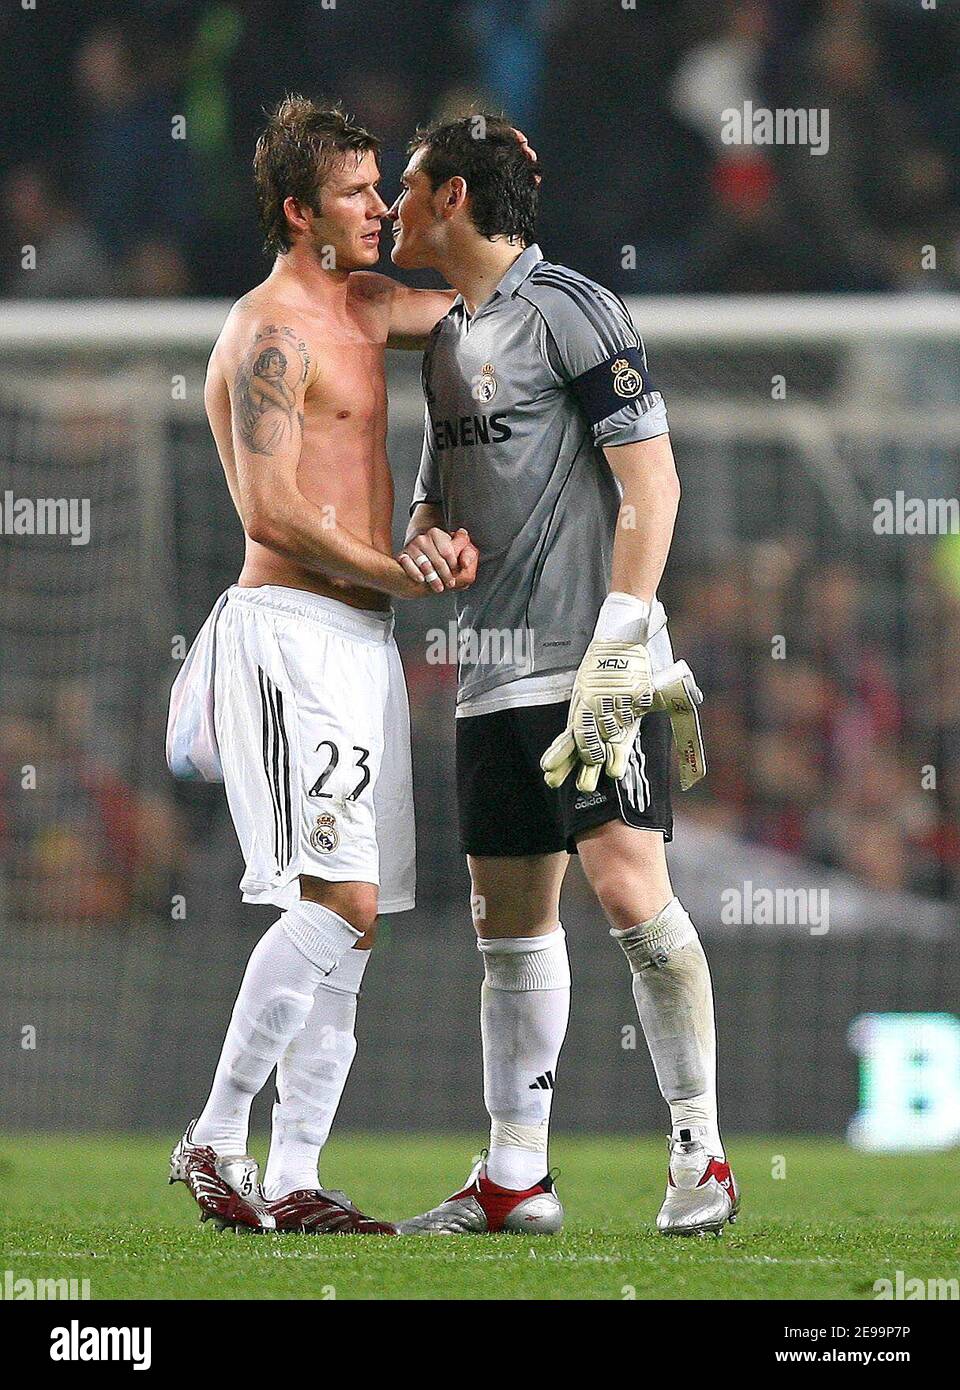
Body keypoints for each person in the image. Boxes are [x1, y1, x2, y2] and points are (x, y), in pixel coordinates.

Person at [391, 114, 737, 1237]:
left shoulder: (575, 308)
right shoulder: (449, 340)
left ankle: (702, 1155)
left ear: (451, 198)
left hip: (592, 662)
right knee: (510, 929)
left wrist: (622, 644)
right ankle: (514, 1176)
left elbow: (656, 483)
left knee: (631, 891)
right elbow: (438, 491)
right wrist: (428, 532)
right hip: (491, 674)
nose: (391, 208)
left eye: (405, 187)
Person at [166, 96, 475, 1235]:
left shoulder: (366, 306)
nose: (377, 208)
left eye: (385, 186)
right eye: (356, 193)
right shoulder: (271, 335)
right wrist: (397, 569)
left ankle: (293, 1176)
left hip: (363, 647)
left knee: (359, 919)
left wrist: (477, 180)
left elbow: (483, 297)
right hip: (289, 636)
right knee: (334, 900)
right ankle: (213, 1133)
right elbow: (276, 511)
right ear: (300, 210)